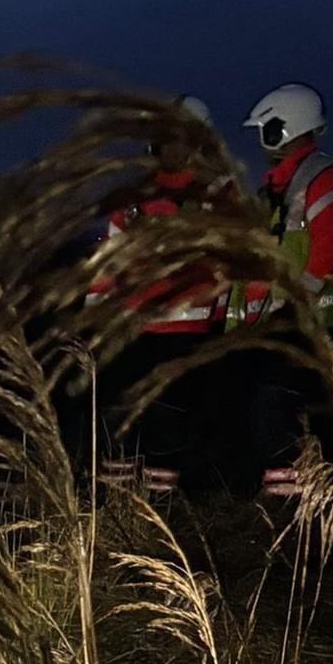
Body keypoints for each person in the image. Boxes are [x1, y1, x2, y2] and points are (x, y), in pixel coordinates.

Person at [85, 95, 234, 494]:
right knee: (117, 423)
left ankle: (160, 521)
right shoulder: (136, 194)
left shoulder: (217, 194)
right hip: (131, 329)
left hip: (188, 331)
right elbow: (109, 256)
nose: (170, 147)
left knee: (168, 430)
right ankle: (116, 515)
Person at [231, 83, 333, 497]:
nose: (261, 141)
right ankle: (297, 506)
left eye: (264, 130)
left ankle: (297, 508)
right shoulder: (279, 187)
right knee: (279, 413)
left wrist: (297, 304)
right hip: (288, 321)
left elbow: (326, 245)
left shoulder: (321, 178)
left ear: (283, 129)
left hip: (314, 321)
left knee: (276, 412)